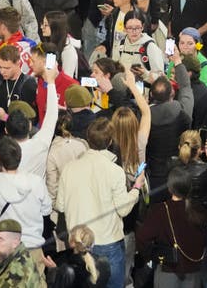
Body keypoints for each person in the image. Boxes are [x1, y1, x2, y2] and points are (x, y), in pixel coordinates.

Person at [56, 118, 142, 288]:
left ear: (88, 139)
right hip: (108, 243)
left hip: (79, 242)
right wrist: (136, 189)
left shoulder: (69, 168)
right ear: (110, 141)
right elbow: (124, 210)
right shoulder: (115, 171)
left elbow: (60, 206)